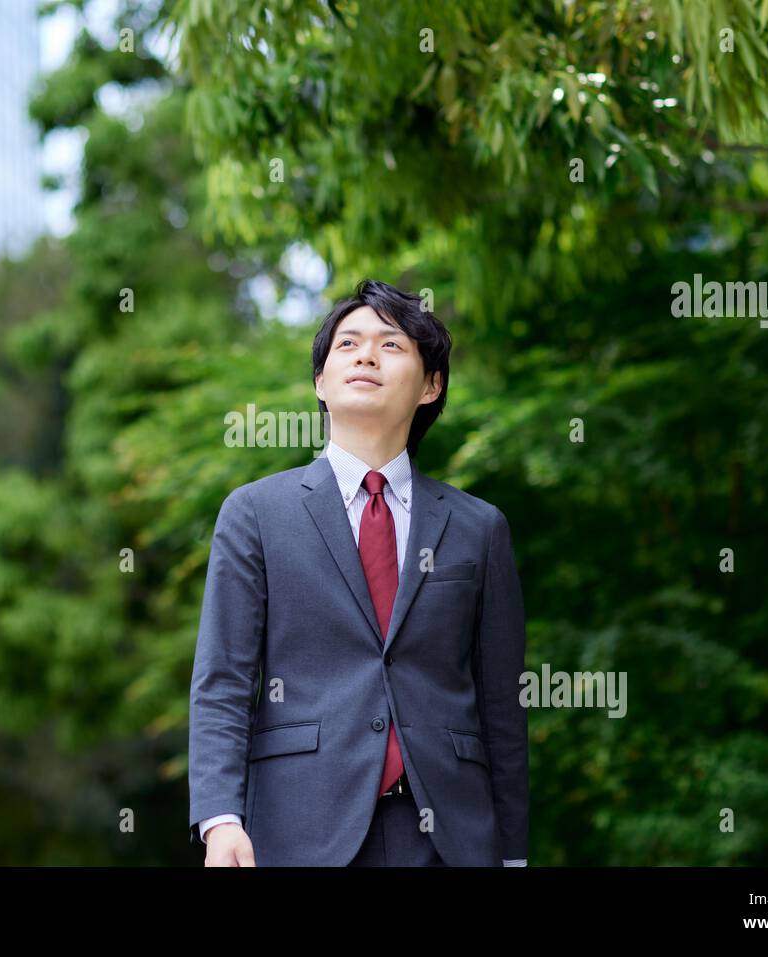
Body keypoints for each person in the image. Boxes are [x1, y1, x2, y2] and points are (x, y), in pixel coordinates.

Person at [188, 278, 528, 866]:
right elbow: (224, 683)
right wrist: (221, 820)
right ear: (320, 382)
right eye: (347, 344)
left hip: (450, 839)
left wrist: (515, 856)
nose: (366, 354)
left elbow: (502, 706)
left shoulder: (480, 528)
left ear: (431, 385)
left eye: (390, 344)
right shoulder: (255, 514)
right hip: (301, 833)